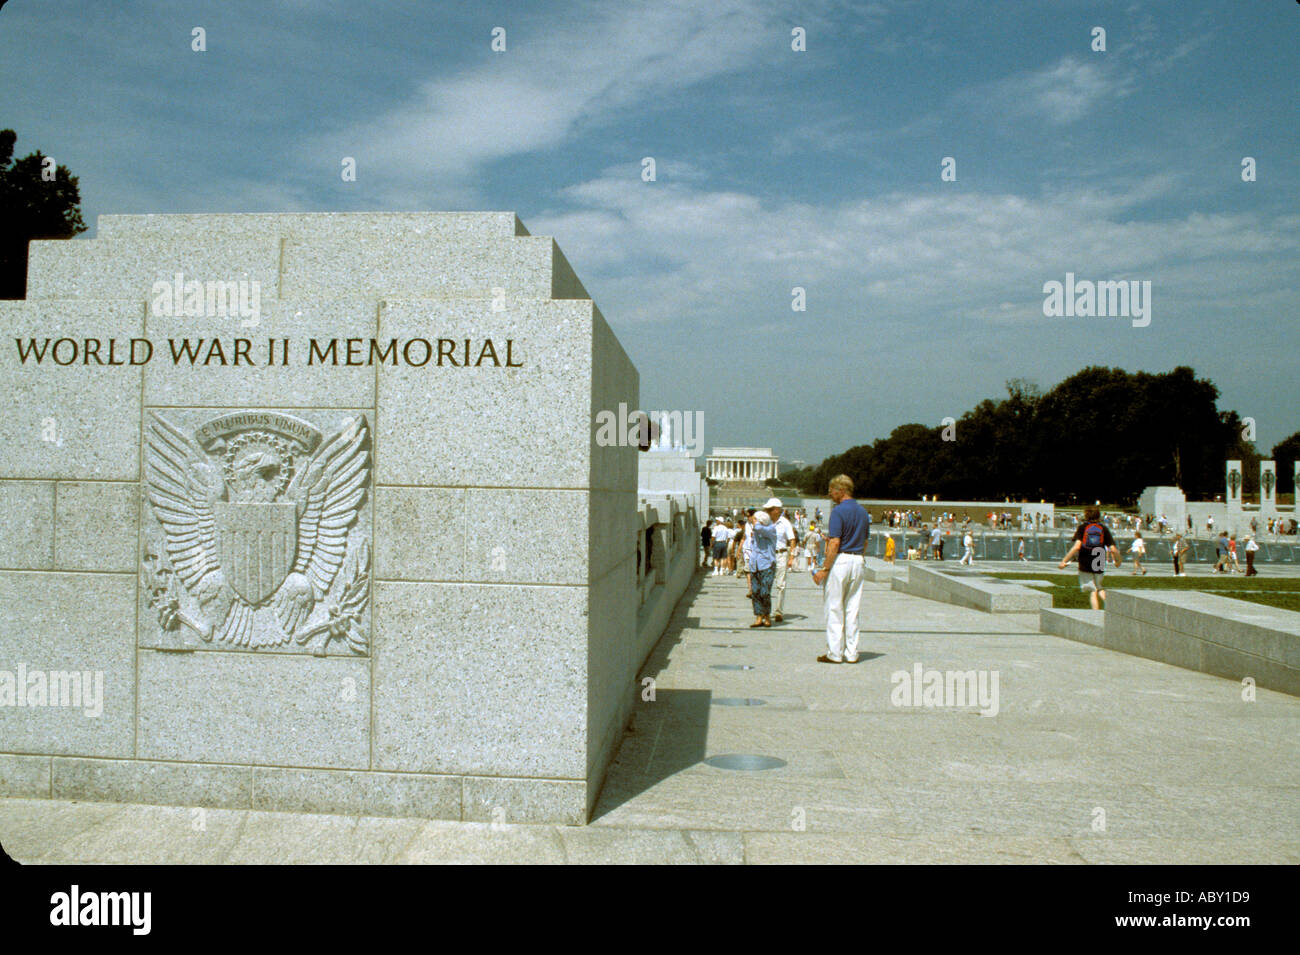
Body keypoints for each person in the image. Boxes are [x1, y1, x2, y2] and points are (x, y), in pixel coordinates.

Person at [812, 474, 868, 664]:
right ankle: (852, 653)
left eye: (831, 491)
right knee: (853, 609)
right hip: (858, 559)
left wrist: (824, 569)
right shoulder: (862, 511)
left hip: (841, 561)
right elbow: (865, 541)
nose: (830, 494)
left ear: (841, 491)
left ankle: (835, 653)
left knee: (834, 607)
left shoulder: (838, 511)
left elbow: (835, 542)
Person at [1058, 506, 1121, 610]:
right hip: (1100, 558)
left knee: (1092, 590)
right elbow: (1113, 549)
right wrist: (1119, 561)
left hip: (1085, 559)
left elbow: (1076, 547)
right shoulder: (1104, 528)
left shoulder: (1082, 527)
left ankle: (1095, 615)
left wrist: (1064, 561)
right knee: (1099, 587)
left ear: (1086, 515)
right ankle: (1111, 607)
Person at [747, 509, 777, 628]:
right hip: (755, 564)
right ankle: (758, 616)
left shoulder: (770, 529)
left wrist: (756, 522)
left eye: (754, 519)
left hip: (767, 564)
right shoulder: (756, 531)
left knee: (765, 592)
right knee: (755, 591)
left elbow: (759, 528)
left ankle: (767, 615)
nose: (752, 521)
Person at [769, 498, 796, 623]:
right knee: (766, 583)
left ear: (777, 510)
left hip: (781, 554)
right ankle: (765, 611)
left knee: (780, 584)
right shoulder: (766, 521)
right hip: (767, 555)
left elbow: (792, 540)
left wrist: (791, 557)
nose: (767, 511)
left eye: (770, 509)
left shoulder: (785, 523)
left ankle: (778, 611)